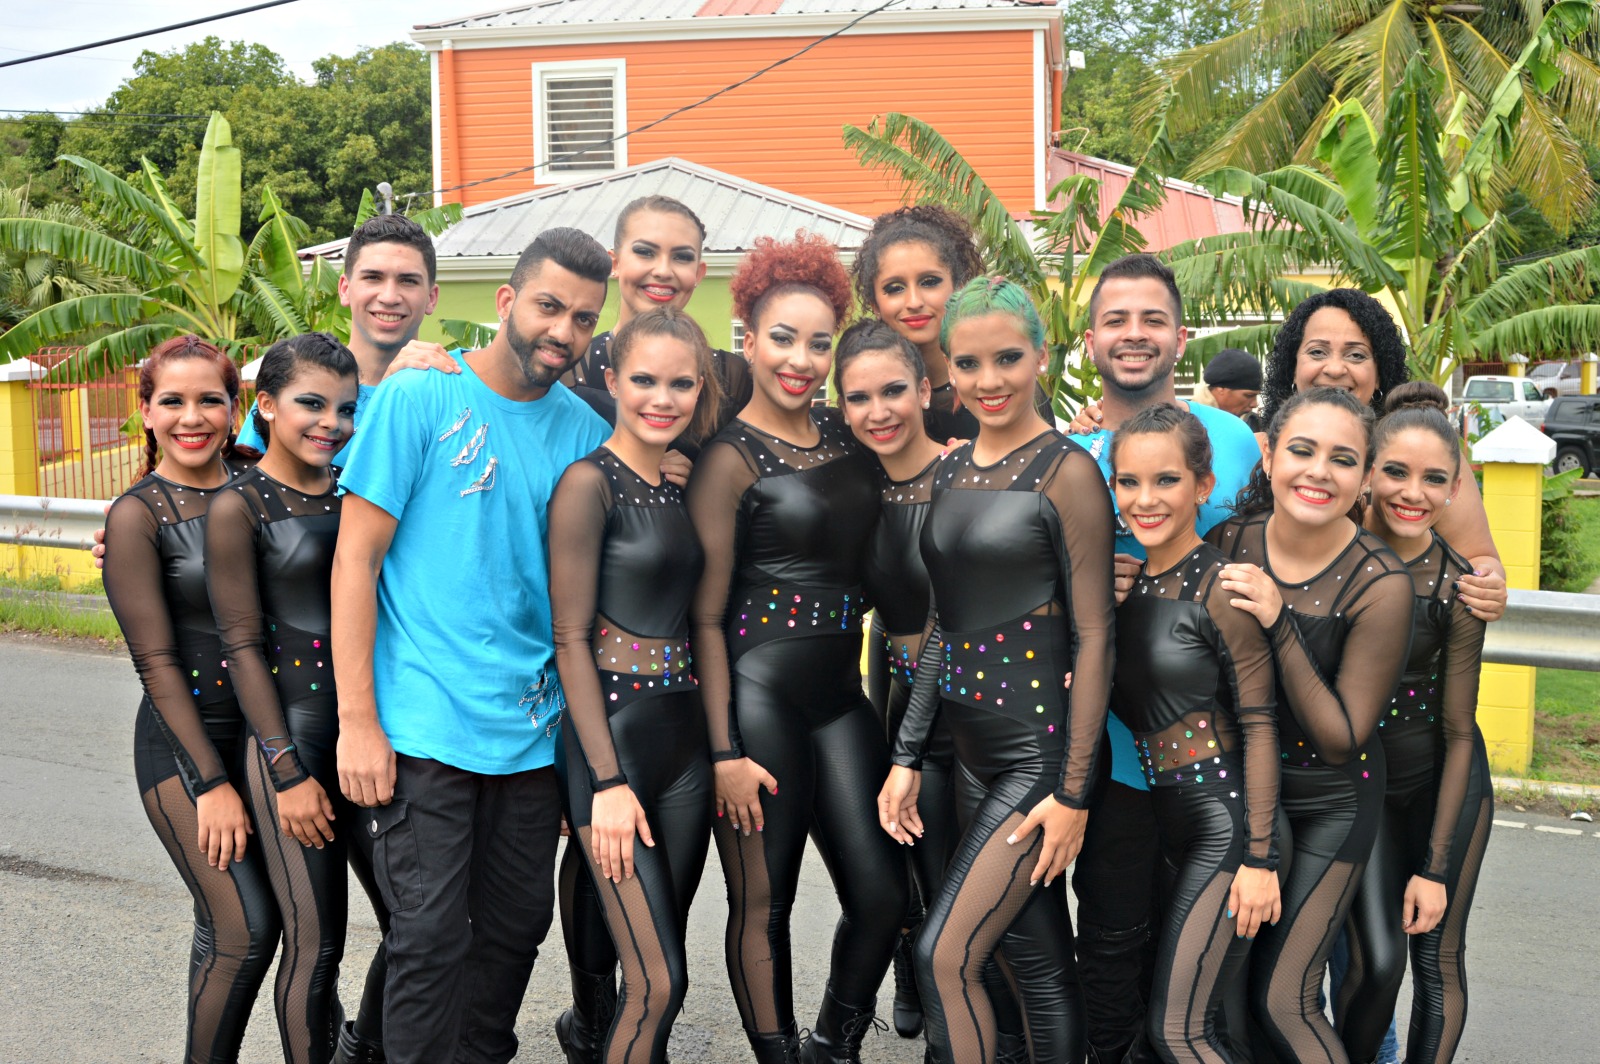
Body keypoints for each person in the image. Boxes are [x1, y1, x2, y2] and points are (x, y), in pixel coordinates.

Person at [329, 227, 613, 1064]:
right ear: (506, 302)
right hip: (420, 725)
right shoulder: (421, 394)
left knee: (516, 931)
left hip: (529, 736)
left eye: (584, 318)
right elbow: (356, 560)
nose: (562, 330)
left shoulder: (585, 435)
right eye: (549, 305)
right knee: (426, 938)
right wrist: (358, 723)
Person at [880, 275, 1116, 1064]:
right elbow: (944, 624)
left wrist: (1074, 790)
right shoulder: (948, 474)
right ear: (947, 370)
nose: (989, 381)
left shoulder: (1067, 471)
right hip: (973, 756)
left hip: (1040, 761)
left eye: (1008, 359)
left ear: (1042, 356)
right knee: (1035, 963)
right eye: (969, 364)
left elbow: (1095, 635)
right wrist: (908, 756)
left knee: (942, 954)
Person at [686, 232, 908, 1064]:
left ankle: (833, 1045)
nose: (802, 359)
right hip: (757, 700)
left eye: (820, 342)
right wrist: (723, 749)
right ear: (747, 335)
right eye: (783, 337)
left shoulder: (852, 439)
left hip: (839, 698)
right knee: (764, 902)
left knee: (884, 894)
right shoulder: (726, 460)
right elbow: (704, 618)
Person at [552, 195, 743, 1058]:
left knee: (656, 970)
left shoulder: (678, 482)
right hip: (614, 744)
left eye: (680, 383)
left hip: (684, 748)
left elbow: (703, 617)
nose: (662, 397)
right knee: (661, 980)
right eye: (644, 381)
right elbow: (570, 639)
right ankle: (592, 1029)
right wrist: (601, 783)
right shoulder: (585, 486)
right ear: (613, 383)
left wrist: (722, 749)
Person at [1065, 253, 1266, 1064]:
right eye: (1116, 319)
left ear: (1180, 337)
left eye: (1152, 318)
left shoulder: (1236, 442)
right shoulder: (1070, 453)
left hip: (1217, 763)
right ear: (1090, 340)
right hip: (1112, 763)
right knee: (1111, 950)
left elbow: (1303, 531)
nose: (1134, 334)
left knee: (1208, 987)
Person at [1071, 288, 1507, 624]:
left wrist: (1490, 585)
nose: (1335, 368)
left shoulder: (1419, 458)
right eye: (1317, 352)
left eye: (1356, 355)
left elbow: (1481, 560)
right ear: (1292, 368)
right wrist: (1105, 420)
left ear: (1380, 371)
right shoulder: (1258, 447)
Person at [1208, 386, 1415, 1064]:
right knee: (1230, 1001)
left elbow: (1340, 734)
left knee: (1284, 998)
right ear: (1269, 455)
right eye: (1301, 450)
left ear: (1363, 479)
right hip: (1244, 794)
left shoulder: (1379, 582)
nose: (1318, 471)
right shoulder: (1229, 540)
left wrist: (1278, 619)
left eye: (1342, 458)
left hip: (1333, 802)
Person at [103, 336, 274, 1063]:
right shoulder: (138, 518)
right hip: (185, 750)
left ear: (236, 409)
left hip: (271, 740)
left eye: (210, 398)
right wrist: (212, 786)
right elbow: (156, 661)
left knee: (296, 930)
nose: (192, 415)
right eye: (171, 400)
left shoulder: (267, 483)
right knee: (244, 929)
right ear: (145, 412)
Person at [204, 333, 367, 1064]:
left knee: (420, 925)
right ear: (265, 406)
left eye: (345, 408)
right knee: (318, 942)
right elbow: (240, 647)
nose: (330, 421)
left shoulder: (359, 493)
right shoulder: (239, 507)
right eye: (311, 403)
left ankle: (364, 1049)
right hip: (291, 744)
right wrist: (285, 773)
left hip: (369, 740)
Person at [1108, 403, 1281, 1063]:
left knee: (1179, 1033)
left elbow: (1260, 726)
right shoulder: (1131, 584)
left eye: (1166, 481)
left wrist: (1258, 859)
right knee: (1189, 1028)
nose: (1145, 499)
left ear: (1203, 486)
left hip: (1224, 828)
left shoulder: (1223, 588)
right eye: (1129, 482)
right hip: (1170, 821)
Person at [1335, 384, 1493, 1064]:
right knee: (1375, 963)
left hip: (1446, 788)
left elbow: (1460, 732)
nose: (1412, 492)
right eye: (1396, 471)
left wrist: (1432, 867)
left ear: (1457, 487)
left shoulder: (1458, 588)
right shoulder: (1329, 559)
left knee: (1437, 963)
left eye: (1435, 478)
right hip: (1364, 787)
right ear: (1368, 468)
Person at [835, 319, 960, 1045]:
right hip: (889, 683)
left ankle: (956, 1032)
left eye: (893, 391)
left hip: (959, 701)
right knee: (907, 860)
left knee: (954, 881)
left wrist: (910, 745)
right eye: (858, 398)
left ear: (923, 388)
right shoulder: (855, 484)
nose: (878, 411)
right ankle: (913, 973)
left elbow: (950, 616)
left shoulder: (962, 473)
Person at [235, 214, 453, 458]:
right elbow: (252, 486)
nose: (389, 297)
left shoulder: (453, 394)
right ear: (345, 289)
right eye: (373, 278)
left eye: (408, 281)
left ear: (431, 298)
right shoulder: (291, 388)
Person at [561, 194, 753, 455]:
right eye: (645, 252)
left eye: (682, 257)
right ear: (615, 263)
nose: (663, 270)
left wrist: (701, 475)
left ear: (698, 274)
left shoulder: (733, 379)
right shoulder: (570, 371)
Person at [853, 203, 1055, 445]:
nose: (914, 301)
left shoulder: (1007, 389)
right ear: (875, 304)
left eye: (929, 282)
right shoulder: (869, 402)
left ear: (959, 286)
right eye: (895, 288)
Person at [1199, 348, 1264, 432]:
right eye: (1248, 395)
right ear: (1221, 389)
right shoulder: (1187, 425)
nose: (1254, 404)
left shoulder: (1253, 426)